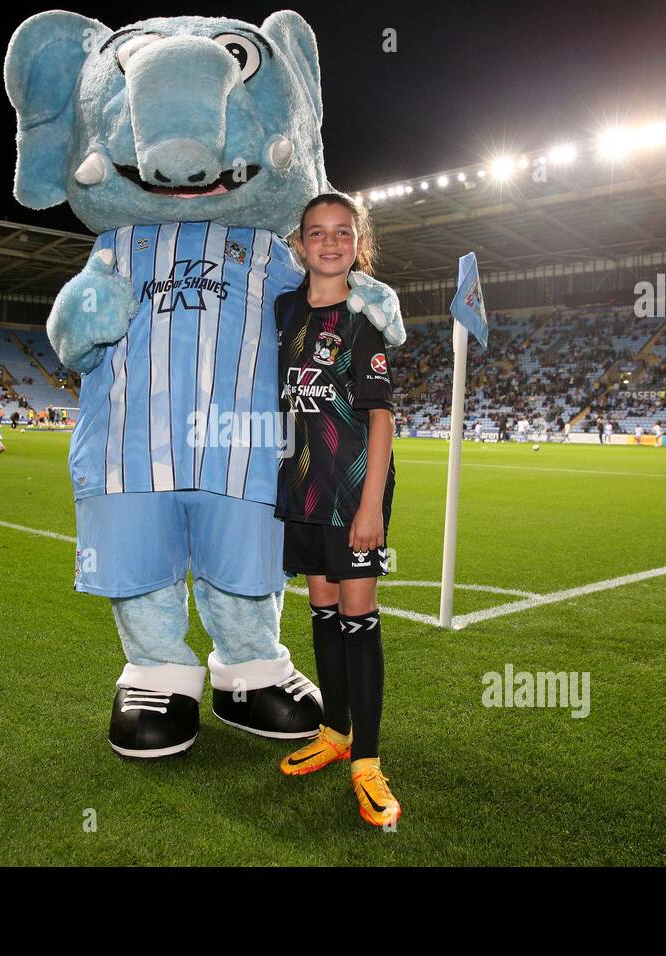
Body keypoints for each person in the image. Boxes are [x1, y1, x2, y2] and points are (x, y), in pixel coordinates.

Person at [273, 193, 400, 828]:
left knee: (357, 616)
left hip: (353, 489)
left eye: (342, 233)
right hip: (301, 487)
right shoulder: (285, 311)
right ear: (299, 243)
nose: (329, 242)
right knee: (321, 610)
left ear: (357, 242)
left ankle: (368, 762)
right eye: (316, 233)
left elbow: (381, 417)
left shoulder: (364, 315)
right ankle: (335, 731)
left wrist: (372, 503)